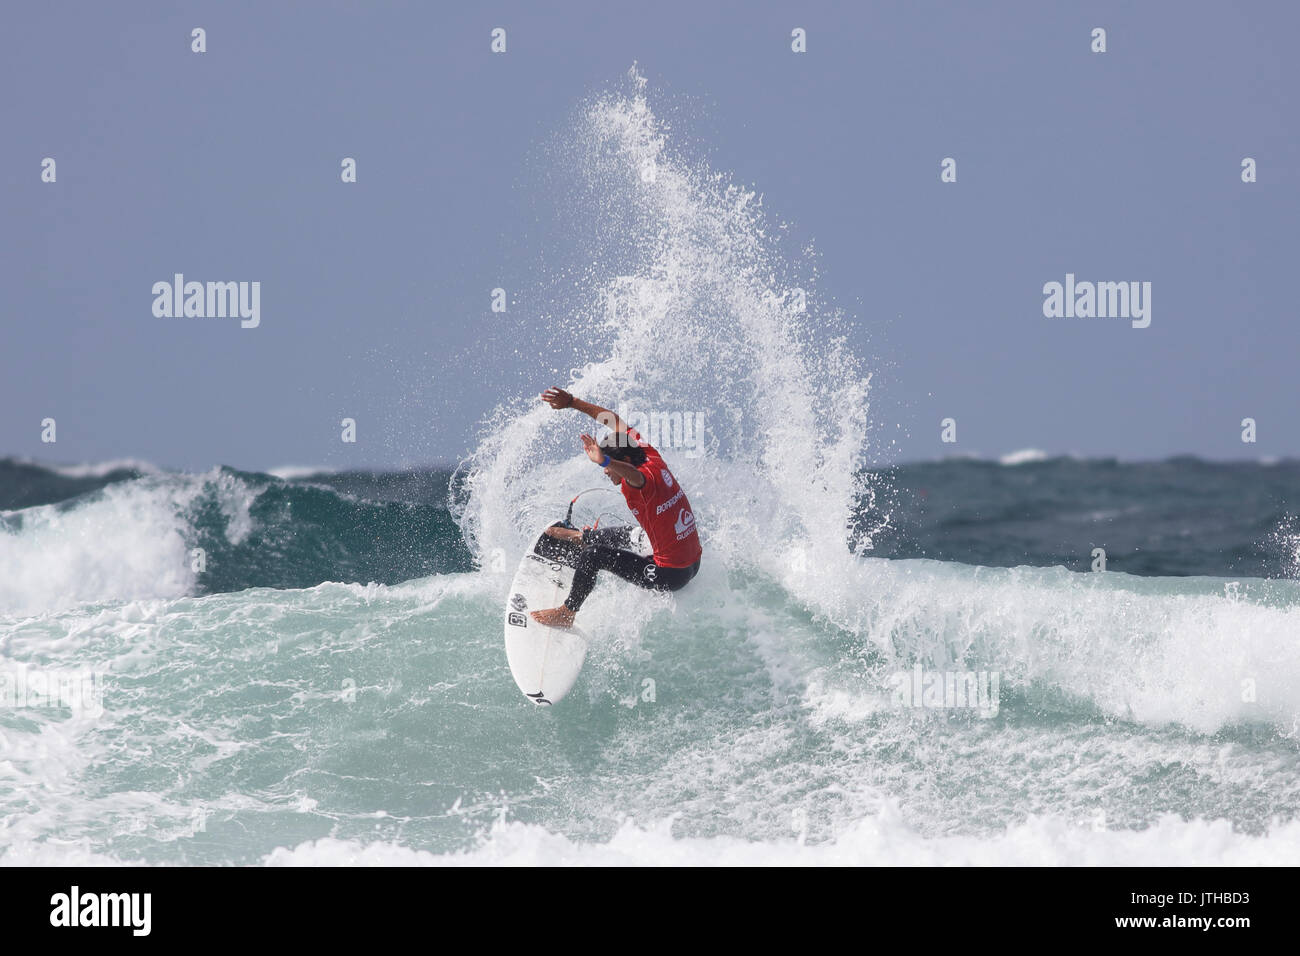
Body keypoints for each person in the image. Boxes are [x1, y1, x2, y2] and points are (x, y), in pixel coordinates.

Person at [530, 387, 702, 627]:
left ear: (624, 461)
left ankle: (566, 613)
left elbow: (632, 474)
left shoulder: (641, 479)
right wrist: (572, 402)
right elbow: (614, 421)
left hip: (671, 574)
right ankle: (582, 536)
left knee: (594, 556)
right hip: (693, 562)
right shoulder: (646, 453)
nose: (607, 472)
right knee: (627, 534)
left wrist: (605, 460)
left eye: (607, 468)